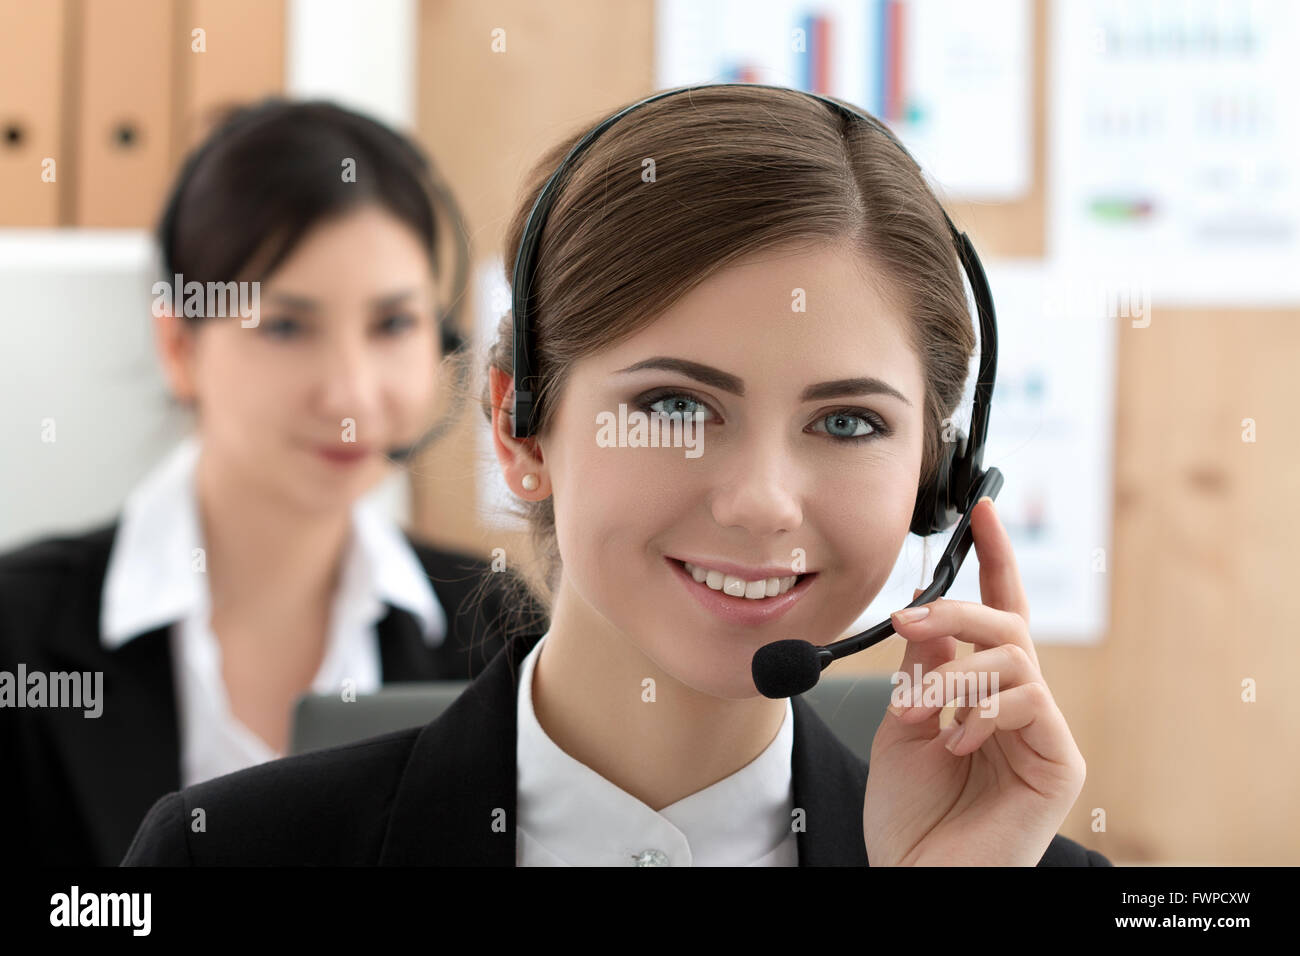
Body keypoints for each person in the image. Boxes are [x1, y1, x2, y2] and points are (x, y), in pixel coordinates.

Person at [121, 84, 1110, 866]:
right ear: (521, 426)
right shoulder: (228, 855)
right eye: (677, 406)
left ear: (937, 479)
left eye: (847, 421)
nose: (761, 500)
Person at [0, 99, 540, 867]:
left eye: (392, 325)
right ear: (179, 345)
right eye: (286, 327)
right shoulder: (18, 633)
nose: (350, 395)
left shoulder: (495, 631)